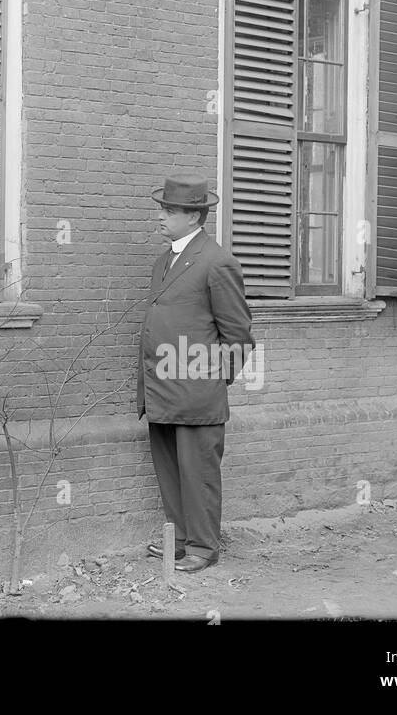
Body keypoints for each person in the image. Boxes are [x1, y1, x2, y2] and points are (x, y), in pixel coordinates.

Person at [136, 174, 253, 573]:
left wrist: (212, 382)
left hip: (197, 392)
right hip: (160, 387)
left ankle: (204, 547)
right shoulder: (164, 259)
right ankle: (182, 541)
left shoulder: (216, 261)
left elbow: (238, 335)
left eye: (169, 211)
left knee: (199, 472)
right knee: (171, 470)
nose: (161, 217)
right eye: (162, 209)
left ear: (193, 216)